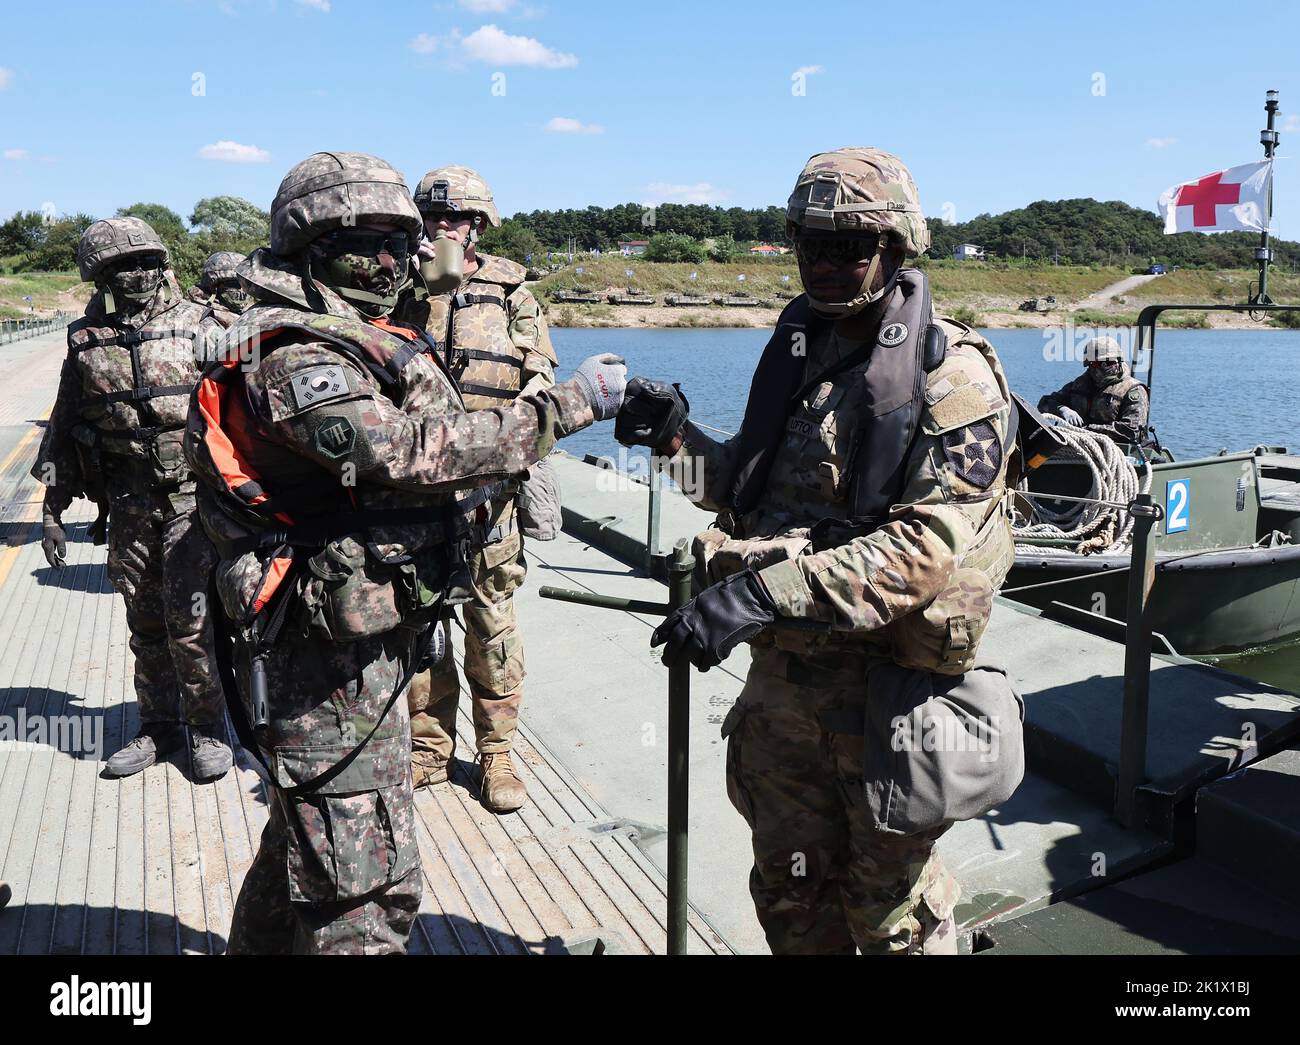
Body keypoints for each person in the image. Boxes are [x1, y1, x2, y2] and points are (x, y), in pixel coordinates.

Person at [184, 151, 624, 954]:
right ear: (307, 248)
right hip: (324, 666)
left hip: (355, 644)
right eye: (369, 242)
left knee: (300, 849)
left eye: (403, 240)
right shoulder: (295, 356)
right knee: (366, 892)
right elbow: (403, 450)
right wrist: (568, 407)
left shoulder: (354, 328)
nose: (394, 259)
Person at [616, 148, 1023, 954]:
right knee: (790, 895)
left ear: (897, 248)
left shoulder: (954, 376)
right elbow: (743, 485)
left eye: (851, 247)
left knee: (888, 916)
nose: (827, 265)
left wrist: (756, 594)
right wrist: (671, 437)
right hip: (785, 697)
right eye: (812, 245)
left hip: (885, 703)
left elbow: (924, 550)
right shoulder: (805, 352)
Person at [34, 217, 233, 782]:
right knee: (144, 622)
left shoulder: (207, 325)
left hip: (196, 501)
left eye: (146, 262)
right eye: (123, 267)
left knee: (191, 620)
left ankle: (209, 729)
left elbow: (247, 410)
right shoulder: (85, 341)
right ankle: (157, 727)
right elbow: (65, 424)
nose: (138, 274)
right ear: (101, 277)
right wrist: (51, 511)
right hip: (128, 503)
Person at [397, 165, 557, 813]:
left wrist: (523, 422)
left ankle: (497, 756)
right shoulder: (394, 283)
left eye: (458, 218)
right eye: (435, 218)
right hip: (414, 485)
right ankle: (428, 750)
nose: (446, 229)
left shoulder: (512, 287)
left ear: (480, 224)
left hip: (490, 486)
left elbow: (539, 369)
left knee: (491, 625)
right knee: (419, 622)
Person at [1037, 334, 1149, 444]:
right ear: (1089, 364)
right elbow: (1045, 403)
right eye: (1098, 363)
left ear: (1119, 361)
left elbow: (1131, 430)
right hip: (1077, 445)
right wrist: (1063, 410)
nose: (1104, 367)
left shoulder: (1133, 390)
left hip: (1116, 451)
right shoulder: (1079, 385)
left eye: (1109, 362)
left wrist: (1088, 429)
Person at [186, 250, 252, 328]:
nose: (242, 290)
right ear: (213, 286)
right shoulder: (197, 317)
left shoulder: (250, 314)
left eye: (246, 284)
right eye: (234, 284)